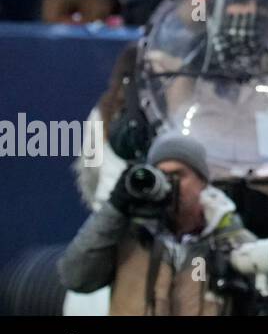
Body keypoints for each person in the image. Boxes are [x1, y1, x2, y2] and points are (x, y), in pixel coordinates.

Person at [57, 133, 255, 316]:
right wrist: (116, 208)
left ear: (202, 181)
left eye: (179, 175)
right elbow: (75, 277)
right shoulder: (129, 235)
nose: (170, 184)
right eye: (162, 175)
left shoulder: (231, 240)